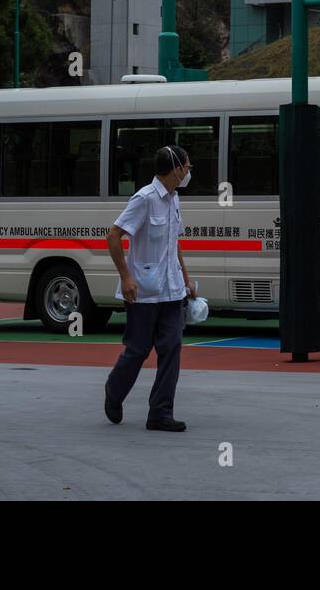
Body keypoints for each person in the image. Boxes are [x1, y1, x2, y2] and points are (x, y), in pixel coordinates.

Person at [103, 144, 196, 431]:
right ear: (177, 168)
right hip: (142, 291)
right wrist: (125, 277)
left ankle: (160, 412)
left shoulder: (174, 198)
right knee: (138, 350)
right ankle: (114, 392)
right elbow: (113, 236)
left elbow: (173, 243)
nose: (189, 171)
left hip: (171, 290)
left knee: (172, 347)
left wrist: (186, 276)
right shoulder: (143, 199)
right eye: (187, 166)